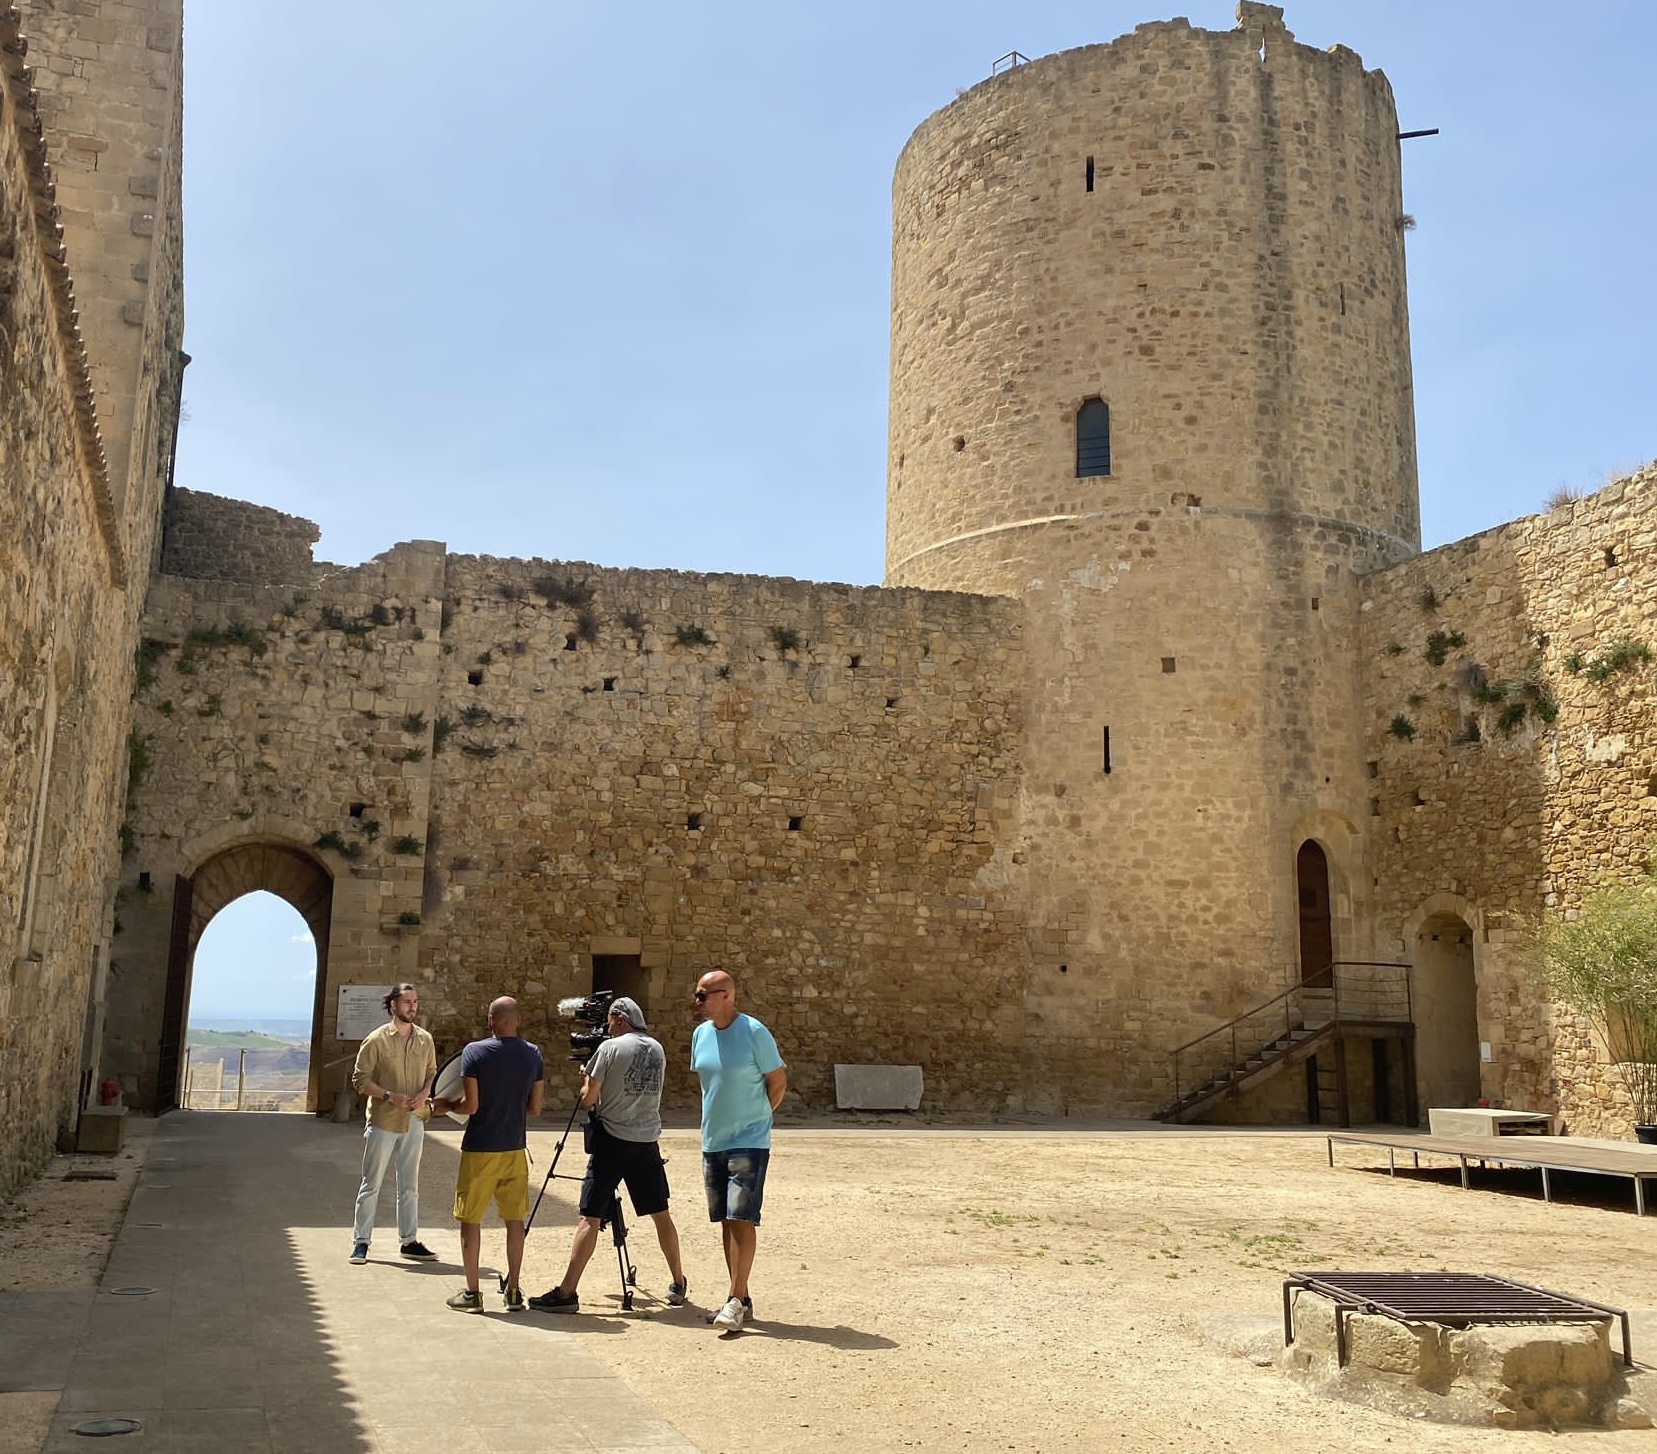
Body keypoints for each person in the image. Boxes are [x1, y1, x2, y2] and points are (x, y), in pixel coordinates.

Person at [529, 995, 688, 1314]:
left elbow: (589, 1100)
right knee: (660, 1213)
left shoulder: (609, 1049)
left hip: (612, 1141)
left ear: (618, 1018)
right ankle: (678, 1280)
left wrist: (586, 1077)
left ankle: (567, 1291)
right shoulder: (656, 1048)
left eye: (611, 1022)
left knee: (589, 1216)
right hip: (646, 1140)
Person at [433, 996, 545, 1312]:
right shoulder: (534, 1054)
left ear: (490, 1019)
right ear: (517, 1020)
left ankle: (472, 1293)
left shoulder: (475, 1052)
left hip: (480, 1148)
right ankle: (513, 1291)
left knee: (470, 1220)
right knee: (514, 1220)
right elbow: (534, 1108)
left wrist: (445, 1106)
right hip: (514, 1147)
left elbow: (471, 1106)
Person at [690, 970, 786, 1332]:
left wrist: (758, 1119)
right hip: (713, 1140)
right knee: (727, 1220)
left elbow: (777, 1080)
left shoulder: (754, 1032)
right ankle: (740, 1297)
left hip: (748, 1140)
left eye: (703, 995)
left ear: (726, 994)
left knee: (743, 1217)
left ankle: (733, 1300)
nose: (697, 1002)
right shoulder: (700, 1035)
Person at [348, 982, 437, 1264]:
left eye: (415, 1001)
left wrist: (425, 1093)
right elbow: (359, 1079)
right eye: (407, 1001)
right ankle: (361, 1242)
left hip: (414, 1119)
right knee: (371, 1183)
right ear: (393, 1005)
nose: (413, 1006)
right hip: (384, 1121)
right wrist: (389, 1096)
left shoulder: (425, 1040)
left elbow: (432, 1072)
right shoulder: (375, 1040)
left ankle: (409, 1241)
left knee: (409, 1184)